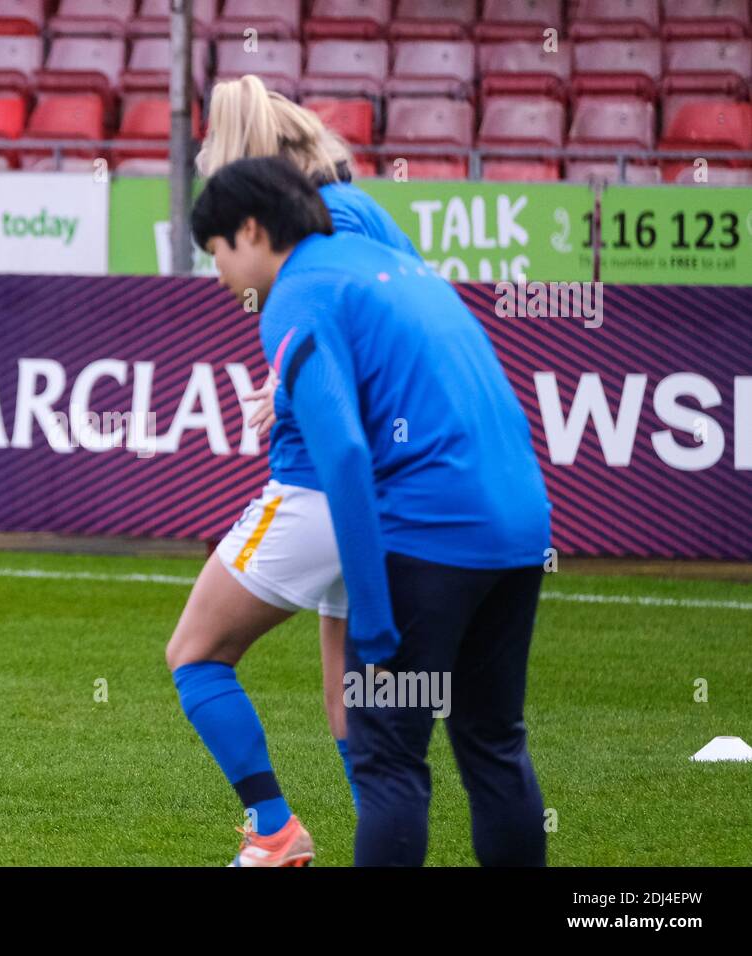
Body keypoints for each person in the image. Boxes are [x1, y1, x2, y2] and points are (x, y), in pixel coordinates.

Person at [191, 155, 551, 867]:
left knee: (388, 761)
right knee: (494, 745)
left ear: (253, 230)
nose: (221, 277)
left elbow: (347, 457)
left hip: (430, 535)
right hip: (520, 527)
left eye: (218, 253)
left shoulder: (297, 295)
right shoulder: (384, 256)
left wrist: (378, 622)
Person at [165, 75, 420, 866]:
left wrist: (292, 390)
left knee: (195, 654)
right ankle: (379, 843)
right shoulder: (363, 209)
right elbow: (397, 315)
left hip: (322, 483)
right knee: (351, 691)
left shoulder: (312, 225)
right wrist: (288, 382)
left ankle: (274, 832)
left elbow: (343, 324)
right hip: (383, 487)